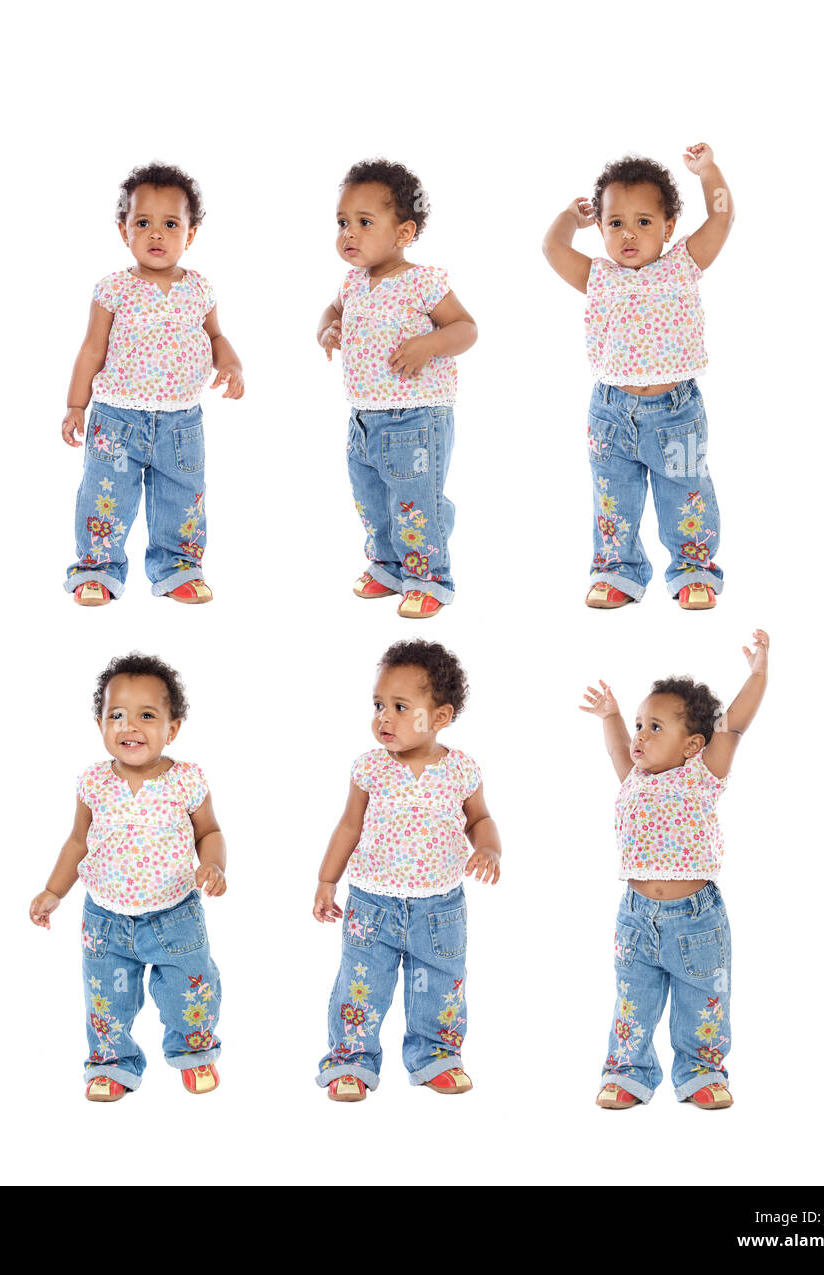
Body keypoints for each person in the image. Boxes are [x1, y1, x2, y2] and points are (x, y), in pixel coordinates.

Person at [580, 629, 769, 1109]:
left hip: (697, 920)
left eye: (655, 727)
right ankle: (626, 1072)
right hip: (635, 917)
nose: (640, 736)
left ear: (693, 745)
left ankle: (702, 1072)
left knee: (703, 1000)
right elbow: (617, 749)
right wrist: (613, 715)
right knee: (633, 1000)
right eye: (640, 725)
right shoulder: (634, 778)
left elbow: (736, 725)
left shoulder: (703, 774)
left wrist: (758, 674)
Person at [543, 145, 734, 610]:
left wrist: (707, 171)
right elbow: (551, 248)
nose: (629, 233)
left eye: (644, 222)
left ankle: (693, 570)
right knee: (614, 501)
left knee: (687, 494)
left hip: (676, 413)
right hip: (610, 414)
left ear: (668, 227)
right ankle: (616, 570)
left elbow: (722, 217)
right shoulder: (598, 276)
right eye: (615, 223)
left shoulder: (683, 264)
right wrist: (570, 216)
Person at [30, 654, 227, 1099]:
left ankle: (195, 1052)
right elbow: (77, 843)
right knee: (106, 1002)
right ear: (99, 723)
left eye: (146, 716)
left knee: (191, 993)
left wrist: (214, 865)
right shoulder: (93, 783)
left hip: (176, 916)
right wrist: (52, 891)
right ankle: (110, 1062)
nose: (128, 726)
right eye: (115, 715)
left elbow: (210, 832)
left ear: (171, 729)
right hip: (105, 919)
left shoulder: (186, 781)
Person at [314, 640, 501, 1100]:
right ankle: (350, 1059)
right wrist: (326, 880)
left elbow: (480, 820)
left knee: (441, 983)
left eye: (400, 707)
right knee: (360, 983)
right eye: (378, 704)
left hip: (440, 907)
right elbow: (348, 827)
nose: (384, 717)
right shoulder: (369, 769)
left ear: (439, 717)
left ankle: (437, 1055)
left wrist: (490, 849)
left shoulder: (461, 770)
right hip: (371, 903)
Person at [62, 164, 244, 606]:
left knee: (183, 497)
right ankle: (97, 569)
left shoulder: (200, 289)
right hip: (116, 418)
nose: (156, 234)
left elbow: (216, 336)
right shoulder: (113, 290)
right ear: (124, 232)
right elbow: (91, 350)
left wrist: (232, 363)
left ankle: (179, 567)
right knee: (104, 495)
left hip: (181, 422)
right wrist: (75, 405)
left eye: (170, 224)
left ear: (191, 234)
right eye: (143, 223)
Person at [318, 159, 477, 619]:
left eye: (364, 223)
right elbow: (328, 314)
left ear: (403, 233)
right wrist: (328, 330)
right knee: (372, 500)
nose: (349, 233)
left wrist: (430, 343)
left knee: (415, 502)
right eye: (343, 222)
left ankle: (429, 576)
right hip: (364, 417)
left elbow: (466, 329)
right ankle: (387, 565)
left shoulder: (422, 281)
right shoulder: (353, 283)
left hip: (416, 417)